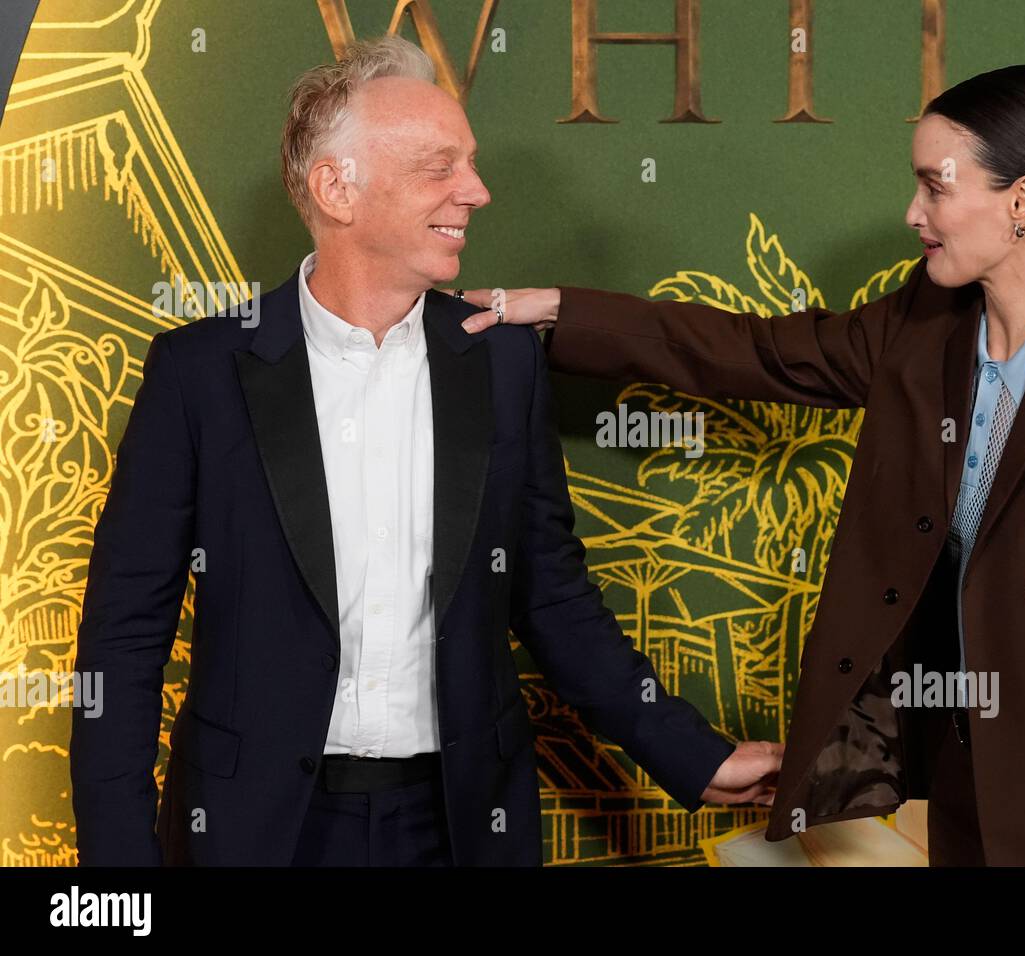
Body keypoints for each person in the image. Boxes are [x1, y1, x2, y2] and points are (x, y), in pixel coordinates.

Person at [461, 65, 1025, 865]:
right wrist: (559, 311)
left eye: (937, 186)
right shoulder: (924, 328)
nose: (912, 212)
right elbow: (760, 354)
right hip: (965, 808)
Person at [69, 35, 781, 867]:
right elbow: (123, 637)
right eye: (439, 167)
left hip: (460, 825)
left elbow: (551, 597)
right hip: (251, 831)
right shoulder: (200, 370)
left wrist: (694, 754)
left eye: (470, 164)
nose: (475, 191)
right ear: (338, 188)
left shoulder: (504, 362)